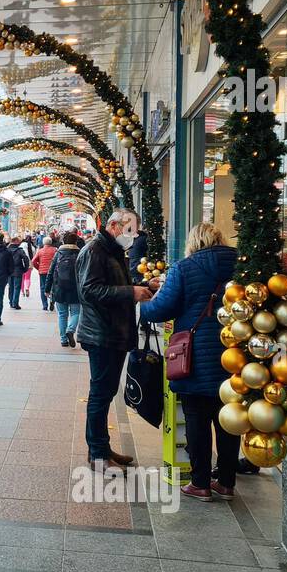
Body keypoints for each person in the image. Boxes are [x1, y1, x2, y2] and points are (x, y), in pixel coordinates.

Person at [140, 223, 239, 501]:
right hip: (236, 354)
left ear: (193, 242)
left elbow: (163, 309)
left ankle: (200, 483)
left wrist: (140, 307)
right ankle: (227, 482)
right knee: (229, 419)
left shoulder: (184, 267)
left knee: (197, 418)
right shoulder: (240, 263)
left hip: (196, 356)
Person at [76, 209, 152, 471]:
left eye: (135, 231)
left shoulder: (111, 251)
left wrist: (142, 287)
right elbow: (89, 290)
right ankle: (98, 454)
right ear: (113, 226)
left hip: (112, 332)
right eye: (129, 230)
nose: (132, 236)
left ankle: (102, 449)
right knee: (100, 394)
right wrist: (130, 292)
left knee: (105, 393)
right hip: (101, 334)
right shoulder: (95, 250)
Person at [47, 231, 83, 346]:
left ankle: (63, 340)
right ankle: (70, 330)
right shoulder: (80, 254)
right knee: (76, 312)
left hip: (59, 288)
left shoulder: (59, 254)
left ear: (63, 241)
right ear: (76, 241)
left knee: (62, 315)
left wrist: (47, 289)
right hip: (76, 289)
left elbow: (51, 272)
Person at [33, 233, 58, 310]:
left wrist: (39, 268)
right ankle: (52, 301)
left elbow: (34, 261)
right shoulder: (55, 250)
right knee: (53, 287)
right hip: (53, 272)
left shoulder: (40, 251)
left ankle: (45, 305)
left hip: (43, 272)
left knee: (43, 287)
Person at [7, 236, 30, 309]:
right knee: (17, 287)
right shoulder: (20, 250)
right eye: (19, 241)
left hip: (9, 271)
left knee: (11, 287)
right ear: (16, 241)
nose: (20, 243)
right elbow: (26, 259)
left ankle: (11, 302)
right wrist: (25, 268)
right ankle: (15, 303)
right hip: (18, 270)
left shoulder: (7, 250)